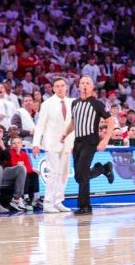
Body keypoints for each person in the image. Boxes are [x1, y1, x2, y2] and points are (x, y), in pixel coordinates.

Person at [59, 75, 115, 215]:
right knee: (79, 177)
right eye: (82, 83)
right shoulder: (75, 103)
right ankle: (103, 169)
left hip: (90, 141)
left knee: (82, 175)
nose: (84, 85)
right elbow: (73, 122)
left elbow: (111, 122)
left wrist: (105, 140)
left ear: (92, 87)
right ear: (78, 86)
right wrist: (65, 134)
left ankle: (85, 206)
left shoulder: (97, 104)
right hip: (77, 142)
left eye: (87, 83)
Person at [32, 77, 74, 213]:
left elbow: (74, 124)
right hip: (51, 143)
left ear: (66, 87)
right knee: (53, 173)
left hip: (67, 144)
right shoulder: (47, 104)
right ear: (53, 88)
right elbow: (40, 125)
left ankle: (58, 201)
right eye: (57, 86)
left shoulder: (72, 102)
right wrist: (36, 143)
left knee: (64, 173)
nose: (60, 88)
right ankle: (48, 203)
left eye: (62, 85)